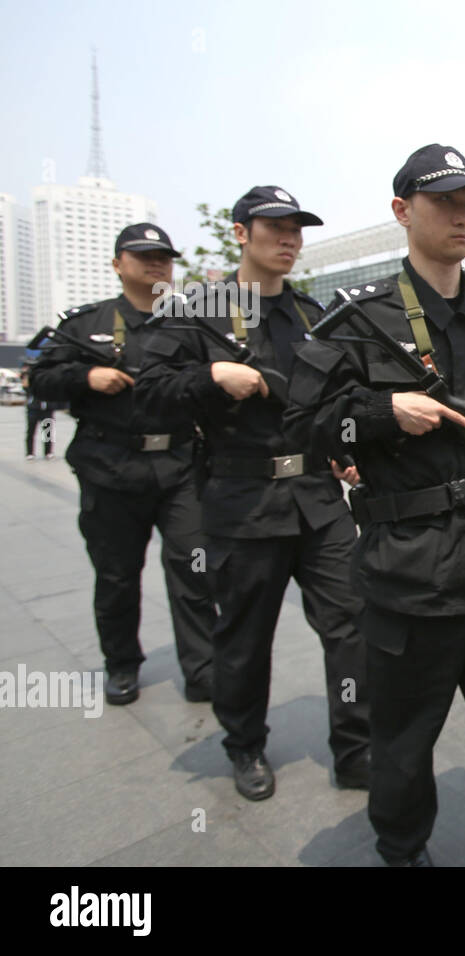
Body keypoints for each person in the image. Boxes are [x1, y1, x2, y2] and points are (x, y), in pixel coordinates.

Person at [284, 144, 465, 867]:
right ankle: (403, 849)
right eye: (446, 202)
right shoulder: (359, 319)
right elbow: (298, 428)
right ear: (402, 211)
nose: (463, 217)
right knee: (405, 739)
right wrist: (382, 412)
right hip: (409, 571)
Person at [134, 189, 369, 800]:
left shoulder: (314, 315)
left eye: (297, 230)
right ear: (241, 233)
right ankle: (245, 745)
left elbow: (338, 398)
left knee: (351, 624)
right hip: (241, 500)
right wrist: (211, 377)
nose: (289, 240)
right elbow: (148, 392)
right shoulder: (195, 312)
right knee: (243, 637)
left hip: (317, 496)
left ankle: (356, 746)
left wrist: (347, 453)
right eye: (276, 228)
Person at [29, 224, 215, 706]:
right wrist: (86, 375)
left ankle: (203, 668)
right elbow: (40, 377)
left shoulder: (193, 323)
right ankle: (122, 664)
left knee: (195, 569)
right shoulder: (85, 323)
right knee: (116, 574)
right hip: (111, 467)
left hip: (179, 466)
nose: (157, 264)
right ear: (118, 264)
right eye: (145, 256)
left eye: (164, 257)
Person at [22, 366, 55, 460]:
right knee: (31, 431)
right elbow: (25, 385)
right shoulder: (31, 383)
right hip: (33, 409)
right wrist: (27, 373)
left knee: (47, 432)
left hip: (47, 410)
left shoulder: (48, 385)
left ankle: (48, 452)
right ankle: (30, 453)